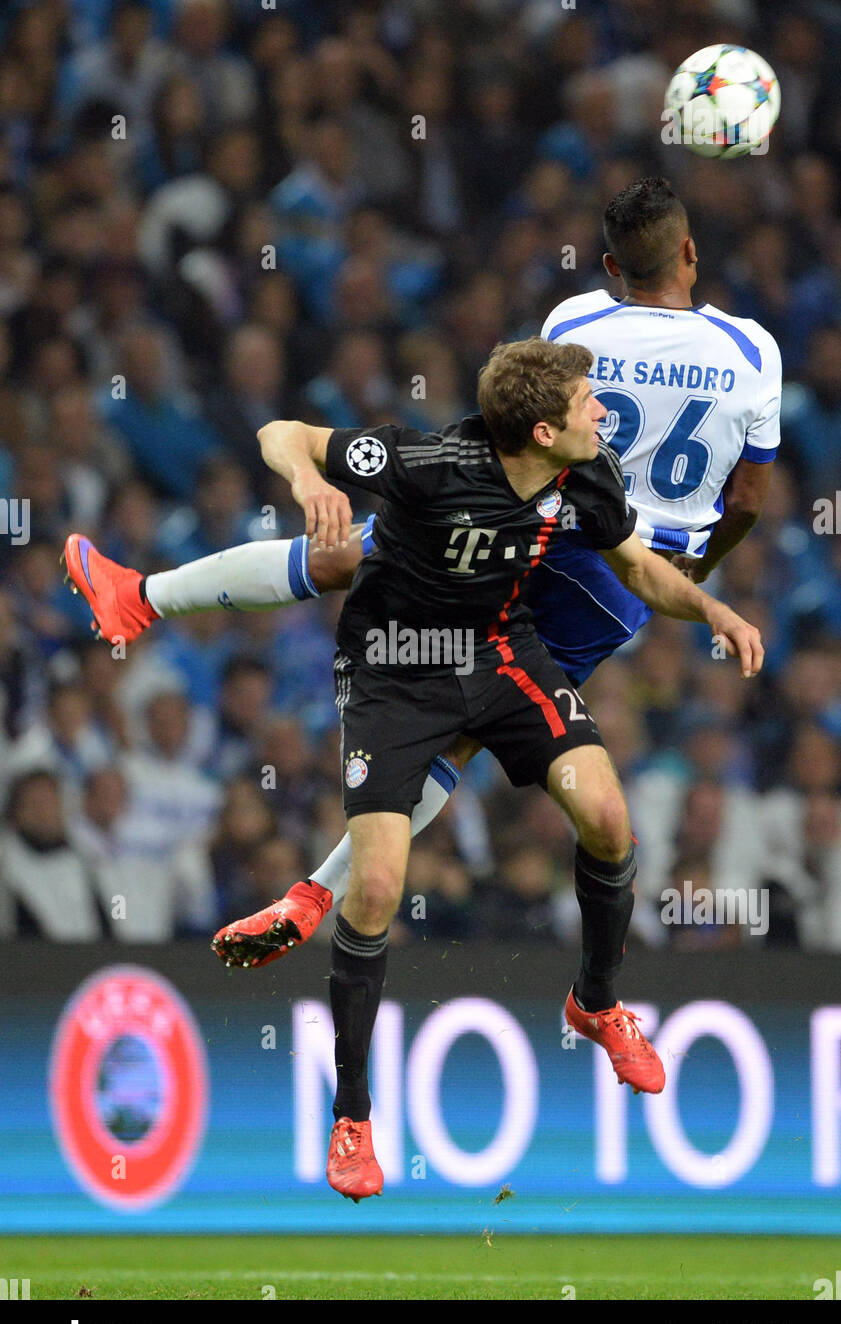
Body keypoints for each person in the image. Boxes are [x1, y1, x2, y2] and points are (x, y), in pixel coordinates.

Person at [61, 179, 780, 960]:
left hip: (539, 521)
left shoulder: (576, 320)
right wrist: (696, 575)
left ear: (610, 263)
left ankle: (140, 598)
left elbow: (526, 437)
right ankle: (315, 894)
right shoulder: (752, 351)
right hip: (617, 583)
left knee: (357, 558)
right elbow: (744, 499)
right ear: (690, 251)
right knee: (463, 731)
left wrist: (451, 482)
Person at [203, 338, 761, 1199]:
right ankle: (352, 1116)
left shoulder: (585, 470)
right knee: (380, 888)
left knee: (609, 820)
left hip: (500, 657)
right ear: (541, 430)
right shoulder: (426, 461)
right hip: (392, 670)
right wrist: (310, 482)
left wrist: (714, 610)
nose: (602, 415)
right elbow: (284, 431)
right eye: (586, 405)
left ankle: (596, 1001)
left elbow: (640, 570)